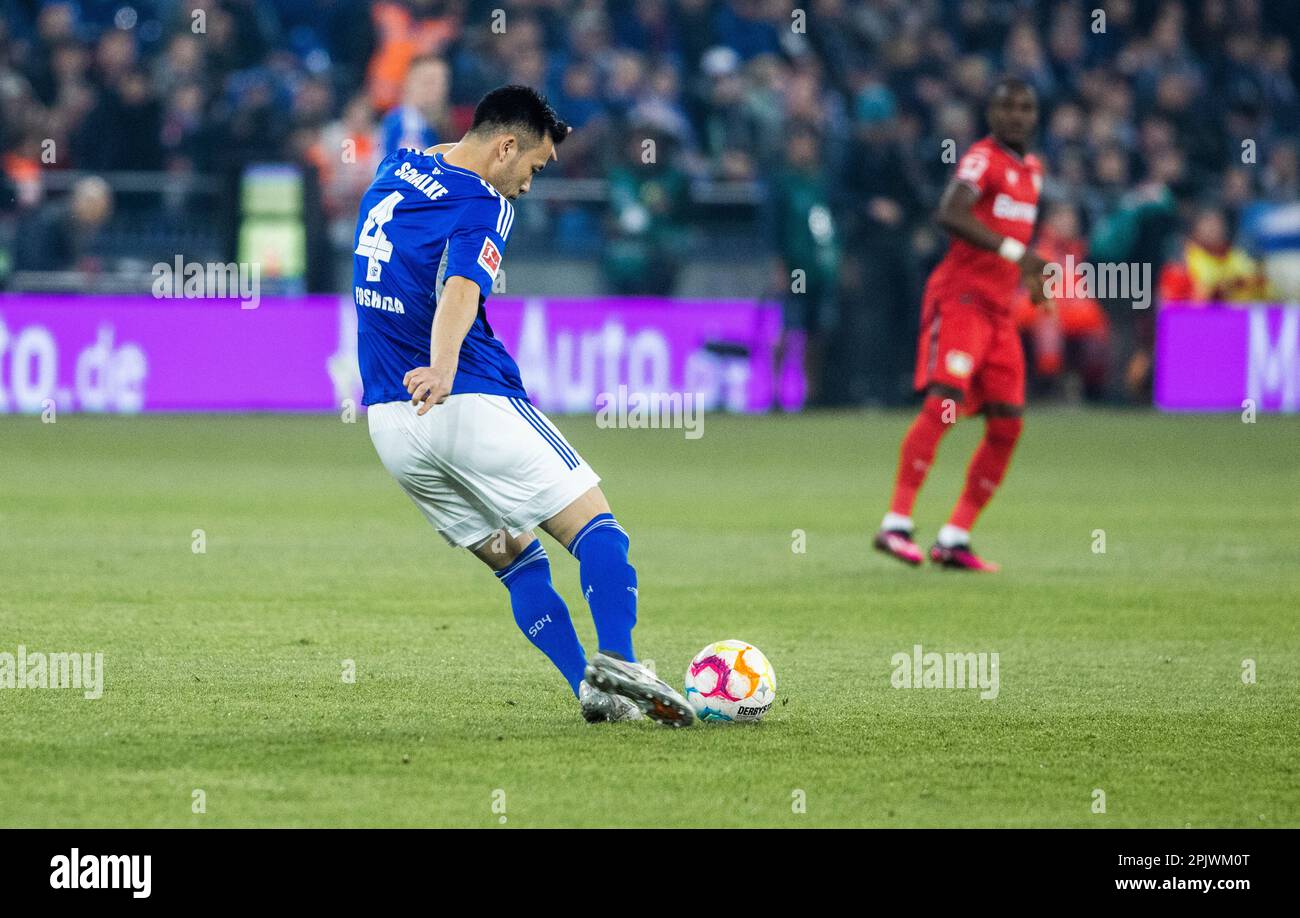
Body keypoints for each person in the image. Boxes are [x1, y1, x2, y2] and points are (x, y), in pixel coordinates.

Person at [353, 85, 693, 726]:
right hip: (463, 398)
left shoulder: (398, 166)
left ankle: (588, 690)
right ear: (505, 146)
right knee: (598, 528)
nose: (529, 186)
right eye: (533, 167)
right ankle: (619, 659)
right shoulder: (485, 201)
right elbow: (460, 286)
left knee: (516, 559)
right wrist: (446, 366)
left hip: (389, 422)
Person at [873, 78, 1051, 572]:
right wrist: (1021, 254)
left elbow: (1012, 236)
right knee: (945, 406)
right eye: (1007, 106)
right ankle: (896, 523)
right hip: (962, 302)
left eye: (1026, 107)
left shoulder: (1032, 170)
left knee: (1008, 424)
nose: (1017, 115)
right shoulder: (982, 159)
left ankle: (955, 536)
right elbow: (949, 212)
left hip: (999, 312)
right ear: (990, 115)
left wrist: (1031, 278)